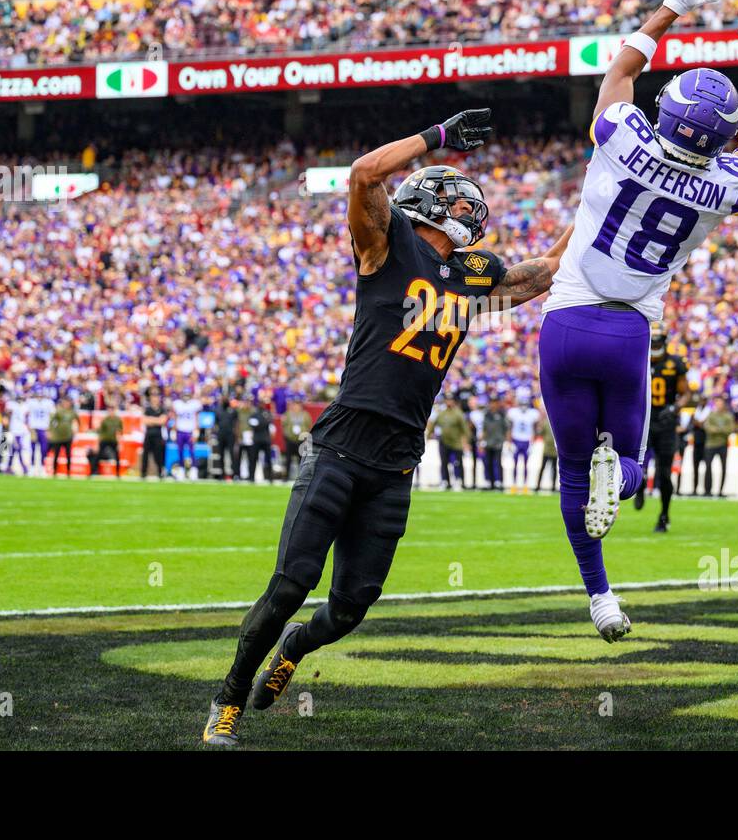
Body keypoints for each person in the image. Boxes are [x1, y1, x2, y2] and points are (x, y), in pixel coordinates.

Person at [203, 106, 569, 746]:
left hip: (396, 461)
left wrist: (601, 204)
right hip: (341, 447)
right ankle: (227, 700)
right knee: (291, 584)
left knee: (348, 607)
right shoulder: (384, 243)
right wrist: (438, 137)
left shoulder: (470, 276)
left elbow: (546, 272)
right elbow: (363, 173)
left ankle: (293, 651)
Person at [535, 0, 738, 638]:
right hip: (628, 333)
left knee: (569, 470)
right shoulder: (722, 187)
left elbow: (622, 68)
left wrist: (673, 5)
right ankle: (623, 473)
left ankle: (599, 596)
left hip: (564, 319)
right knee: (634, 462)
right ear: (717, 137)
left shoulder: (620, 135)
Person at [639, 332, 688, 530]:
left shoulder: (675, 363)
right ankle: (640, 486)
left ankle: (664, 515)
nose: (655, 345)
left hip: (666, 421)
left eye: (658, 341)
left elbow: (685, 394)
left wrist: (674, 408)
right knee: (638, 462)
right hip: (643, 418)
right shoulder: (639, 358)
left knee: (665, 472)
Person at [430, 396, 469, 489]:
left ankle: (459, 480)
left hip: (456, 442)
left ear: (453, 401)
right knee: (444, 462)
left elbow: (465, 429)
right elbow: (433, 425)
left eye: (450, 400)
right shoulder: (441, 413)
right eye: (447, 400)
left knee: (457, 463)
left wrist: (466, 442)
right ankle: (445, 481)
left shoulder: (458, 414)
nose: (449, 402)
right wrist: (429, 435)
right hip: (444, 441)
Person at [506, 388, 539, 495]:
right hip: (516, 440)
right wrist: (509, 442)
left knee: (525, 464)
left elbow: (535, 428)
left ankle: (525, 485)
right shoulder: (513, 412)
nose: (524, 406)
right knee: (515, 464)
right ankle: (514, 485)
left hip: (526, 441)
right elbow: (510, 428)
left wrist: (533, 443)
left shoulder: (532, 413)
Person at [702, 398, 737, 498]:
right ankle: (707, 490)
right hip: (710, 444)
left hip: (722, 444)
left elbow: (730, 429)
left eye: (721, 403)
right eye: (717, 403)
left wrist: (717, 430)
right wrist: (720, 430)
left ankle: (721, 490)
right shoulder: (711, 415)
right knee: (708, 467)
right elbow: (708, 427)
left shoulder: (728, 416)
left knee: (723, 467)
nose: (719, 405)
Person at [243, 395, 274, 483]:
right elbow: (252, 423)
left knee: (268, 459)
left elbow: (267, 422)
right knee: (253, 459)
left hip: (265, 439)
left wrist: (259, 423)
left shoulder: (267, 413)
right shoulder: (254, 414)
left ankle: (270, 477)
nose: (261, 405)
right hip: (256, 439)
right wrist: (262, 422)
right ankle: (251, 477)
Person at [281, 397, 311, 482]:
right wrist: (287, 435)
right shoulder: (287, 414)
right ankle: (285, 477)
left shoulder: (305, 415)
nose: (297, 406)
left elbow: (309, 425)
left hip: (301, 441)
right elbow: (284, 425)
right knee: (288, 460)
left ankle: (301, 478)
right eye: (295, 404)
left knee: (301, 460)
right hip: (290, 440)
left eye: (298, 404)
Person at [140, 385, 168, 479]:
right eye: (153, 395)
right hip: (148, 434)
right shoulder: (147, 409)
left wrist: (151, 420)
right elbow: (144, 421)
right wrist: (156, 420)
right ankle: (143, 473)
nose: (155, 398)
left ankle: (160, 472)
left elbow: (163, 421)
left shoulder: (162, 409)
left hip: (158, 435)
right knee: (145, 455)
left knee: (159, 455)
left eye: (156, 395)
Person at [89, 403, 123, 477]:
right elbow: (100, 432)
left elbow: (119, 432)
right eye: (110, 410)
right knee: (97, 455)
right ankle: (93, 472)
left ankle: (118, 473)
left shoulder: (118, 420)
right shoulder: (105, 420)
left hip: (114, 440)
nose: (111, 411)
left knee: (117, 456)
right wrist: (98, 444)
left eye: (112, 410)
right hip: (105, 440)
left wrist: (119, 443)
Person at [480, 396, 507, 491]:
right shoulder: (486, 415)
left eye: (494, 402)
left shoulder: (502, 414)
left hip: (498, 442)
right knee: (488, 463)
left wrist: (507, 442)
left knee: (498, 463)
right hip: (488, 442)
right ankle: (489, 482)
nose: (493, 404)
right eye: (491, 402)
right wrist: (481, 442)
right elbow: (484, 429)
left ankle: (499, 482)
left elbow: (506, 429)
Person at [48, 397, 78, 476]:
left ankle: (68, 471)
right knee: (56, 454)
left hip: (68, 436)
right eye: (65, 402)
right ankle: (54, 471)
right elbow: (52, 421)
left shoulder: (72, 412)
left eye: (68, 402)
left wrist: (75, 429)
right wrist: (51, 430)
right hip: (58, 436)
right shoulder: (59, 411)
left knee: (68, 454)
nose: (66, 404)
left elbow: (77, 421)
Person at [535, 412, 558, 493]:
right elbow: (540, 433)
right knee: (542, 468)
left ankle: (553, 487)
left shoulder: (557, 422)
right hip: (547, 450)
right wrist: (539, 426)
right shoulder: (545, 422)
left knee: (554, 469)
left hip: (555, 451)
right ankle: (538, 486)